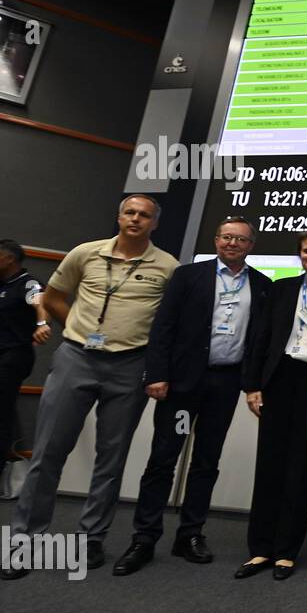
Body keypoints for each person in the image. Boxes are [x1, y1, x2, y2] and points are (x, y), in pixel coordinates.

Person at [1, 196, 178, 579]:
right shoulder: (85, 253)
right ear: (119, 217)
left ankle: (91, 538)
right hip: (77, 358)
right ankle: (24, 540)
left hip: (131, 365)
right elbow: (54, 297)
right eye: (129, 212)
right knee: (48, 452)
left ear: (154, 223)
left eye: (144, 215)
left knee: (111, 459)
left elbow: (169, 323)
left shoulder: (167, 267)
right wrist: (78, 330)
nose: (135, 219)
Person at [113, 217, 272, 576]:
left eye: (241, 239)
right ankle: (145, 537)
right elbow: (164, 326)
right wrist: (156, 374)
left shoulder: (262, 286)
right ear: (216, 240)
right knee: (164, 459)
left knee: (206, 461)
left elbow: (259, 340)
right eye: (226, 237)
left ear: (251, 245)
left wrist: (253, 383)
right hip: (183, 386)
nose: (233, 243)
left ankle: (190, 534)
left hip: (224, 385)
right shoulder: (189, 276)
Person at [238, 228, 307, 582]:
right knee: (269, 465)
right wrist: (252, 385)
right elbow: (261, 337)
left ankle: (286, 552)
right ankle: (260, 549)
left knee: (301, 468)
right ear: (300, 255)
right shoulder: (282, 288)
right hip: (277, 380)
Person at [0, 239, 50, 504]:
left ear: (9, 259)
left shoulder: (27, 283)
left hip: (9, 360)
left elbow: (40, 301)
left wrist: (42, 322)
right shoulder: (1, 285)